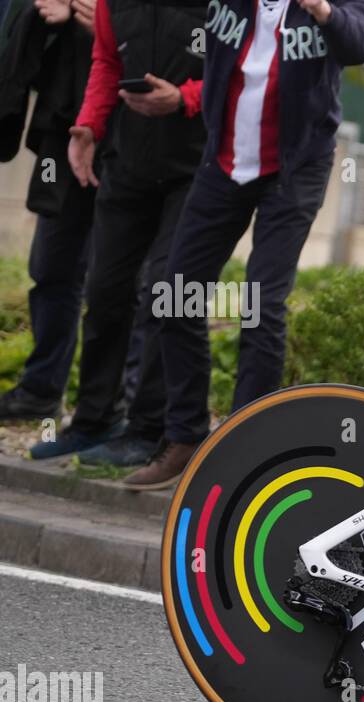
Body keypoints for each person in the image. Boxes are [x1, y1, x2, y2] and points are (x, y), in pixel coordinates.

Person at [122, 0, 364, 490]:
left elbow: (360, 45)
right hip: (223, 162)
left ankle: (244, 452)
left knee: (259, 305)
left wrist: (323, 11)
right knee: (176, 294)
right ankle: (185, 437)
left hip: (296, 166)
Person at [28, 0, 208, 465]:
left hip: (197, 169)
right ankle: (95, 420)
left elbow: (242, 73)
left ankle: (150, 430)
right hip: (126, 164)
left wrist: (186, 98)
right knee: (104, 291)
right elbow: (107, 62)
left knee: (165, 294)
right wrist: (88, 125)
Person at [0, 0, 95, 423]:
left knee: (123, 284)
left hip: (137, 135)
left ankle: (108, 411)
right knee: (52, 264)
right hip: (62, 127)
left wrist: (101, 18)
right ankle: (41, 392)